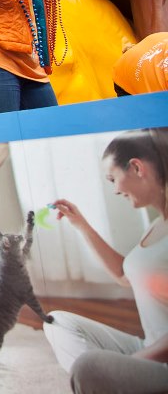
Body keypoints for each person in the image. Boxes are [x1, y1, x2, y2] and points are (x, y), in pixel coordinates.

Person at [44, 128, 168, 392]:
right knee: (57, 322)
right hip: (149, 347)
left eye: (112, 178)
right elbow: (125, 277)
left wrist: (130, 363)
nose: (113, 189)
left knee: (89, 367)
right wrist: (82, 226)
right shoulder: (158, 225)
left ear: (136, 167)